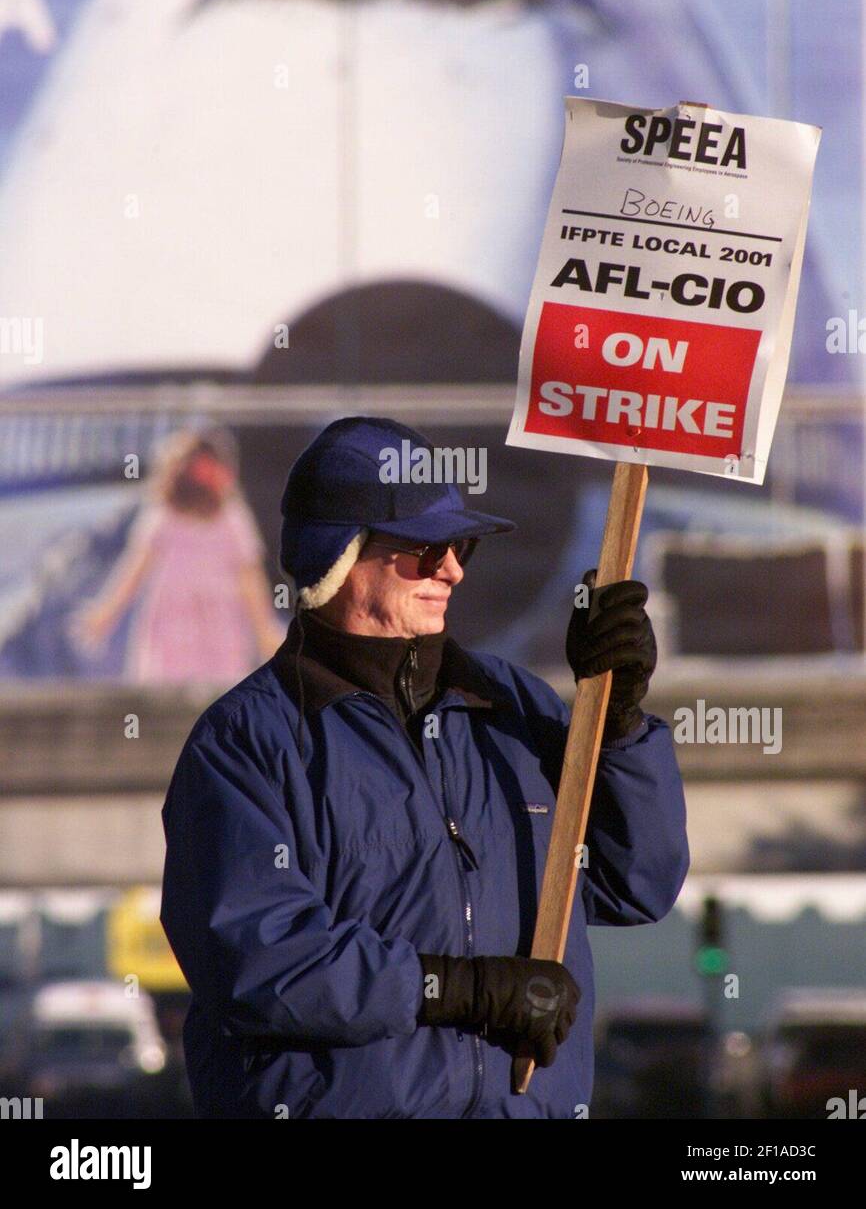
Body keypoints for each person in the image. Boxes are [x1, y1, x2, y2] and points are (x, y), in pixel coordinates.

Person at [160, 415, 689, 1118]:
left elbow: (637, 883)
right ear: (338, 555)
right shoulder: (245, 743)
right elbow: (258, 960)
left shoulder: (514, 708)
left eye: (460, 543)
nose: (453, 568)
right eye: (423, 548)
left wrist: (617, 725)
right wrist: (458, 990)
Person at [75, 429, 284, 683]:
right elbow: (135, 568)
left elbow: (249, 575)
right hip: (169, 624)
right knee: (166, 693)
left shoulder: (232, 518)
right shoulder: (162, 515)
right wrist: (106, 613)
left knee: (218, 696)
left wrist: (264, 630)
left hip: (220, 625)